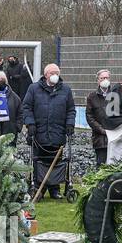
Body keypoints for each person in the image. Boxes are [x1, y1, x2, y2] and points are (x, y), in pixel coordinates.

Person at [22, 64, 76, 200]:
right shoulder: (34, 89)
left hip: (57, 133)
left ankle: (54, 189)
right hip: (39, 134)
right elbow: (26, 107)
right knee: (38, 162)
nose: (55, 75)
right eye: (52, 73)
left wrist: (70, 123)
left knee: (56, 162)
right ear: (46, 74)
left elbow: (70, 109)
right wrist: (30, 123)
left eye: (57, 72)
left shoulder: (66, 90)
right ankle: (38, 186)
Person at [85, 69, 115, 167]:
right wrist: (101, 130)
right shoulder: (92, 97)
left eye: (106, 78)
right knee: (101, 165)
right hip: (99, 139)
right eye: (102, 78)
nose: (104, 80)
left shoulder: (116, 94)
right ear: (98, 80)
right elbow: (90, 117)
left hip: (114, 137)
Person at [0, 70, 23, 142]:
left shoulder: (14, 97)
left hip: (9, 131)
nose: (0, 81)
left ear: (6, 80)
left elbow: (20, 112)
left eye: (2, 79)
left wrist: (17, 126)